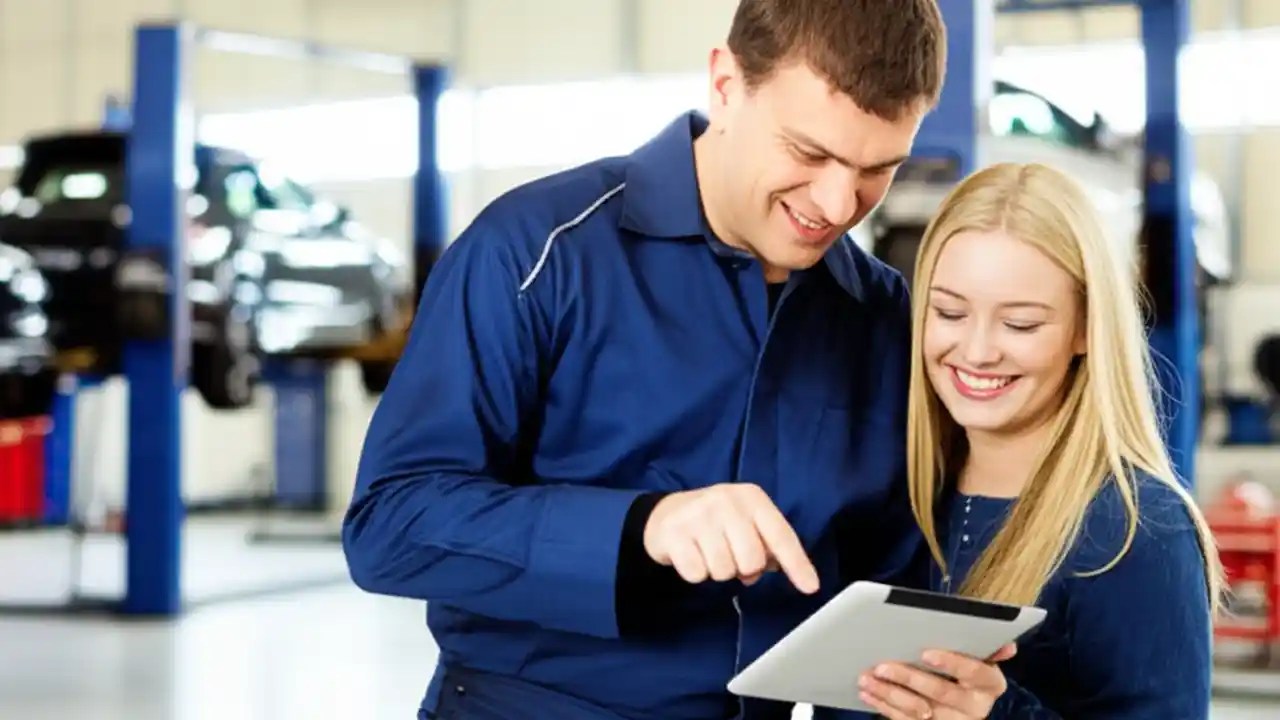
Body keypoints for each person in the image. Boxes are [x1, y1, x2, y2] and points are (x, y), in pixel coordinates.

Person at [341, 1, 1012, 718]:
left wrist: (921, 692)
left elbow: (884, 586)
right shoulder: (536, 253)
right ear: (725, 84)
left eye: (878, 169)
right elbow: (389, 526)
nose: (838, 203)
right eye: (809, 153)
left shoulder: (882, 317)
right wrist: (642, 527)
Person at [855, 162, 1226, 719]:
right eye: (950, 312)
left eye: (1020, 324)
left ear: (1085, 329)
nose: (977, 351)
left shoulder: (1136, 531)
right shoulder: (898, 497)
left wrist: (998, 713)